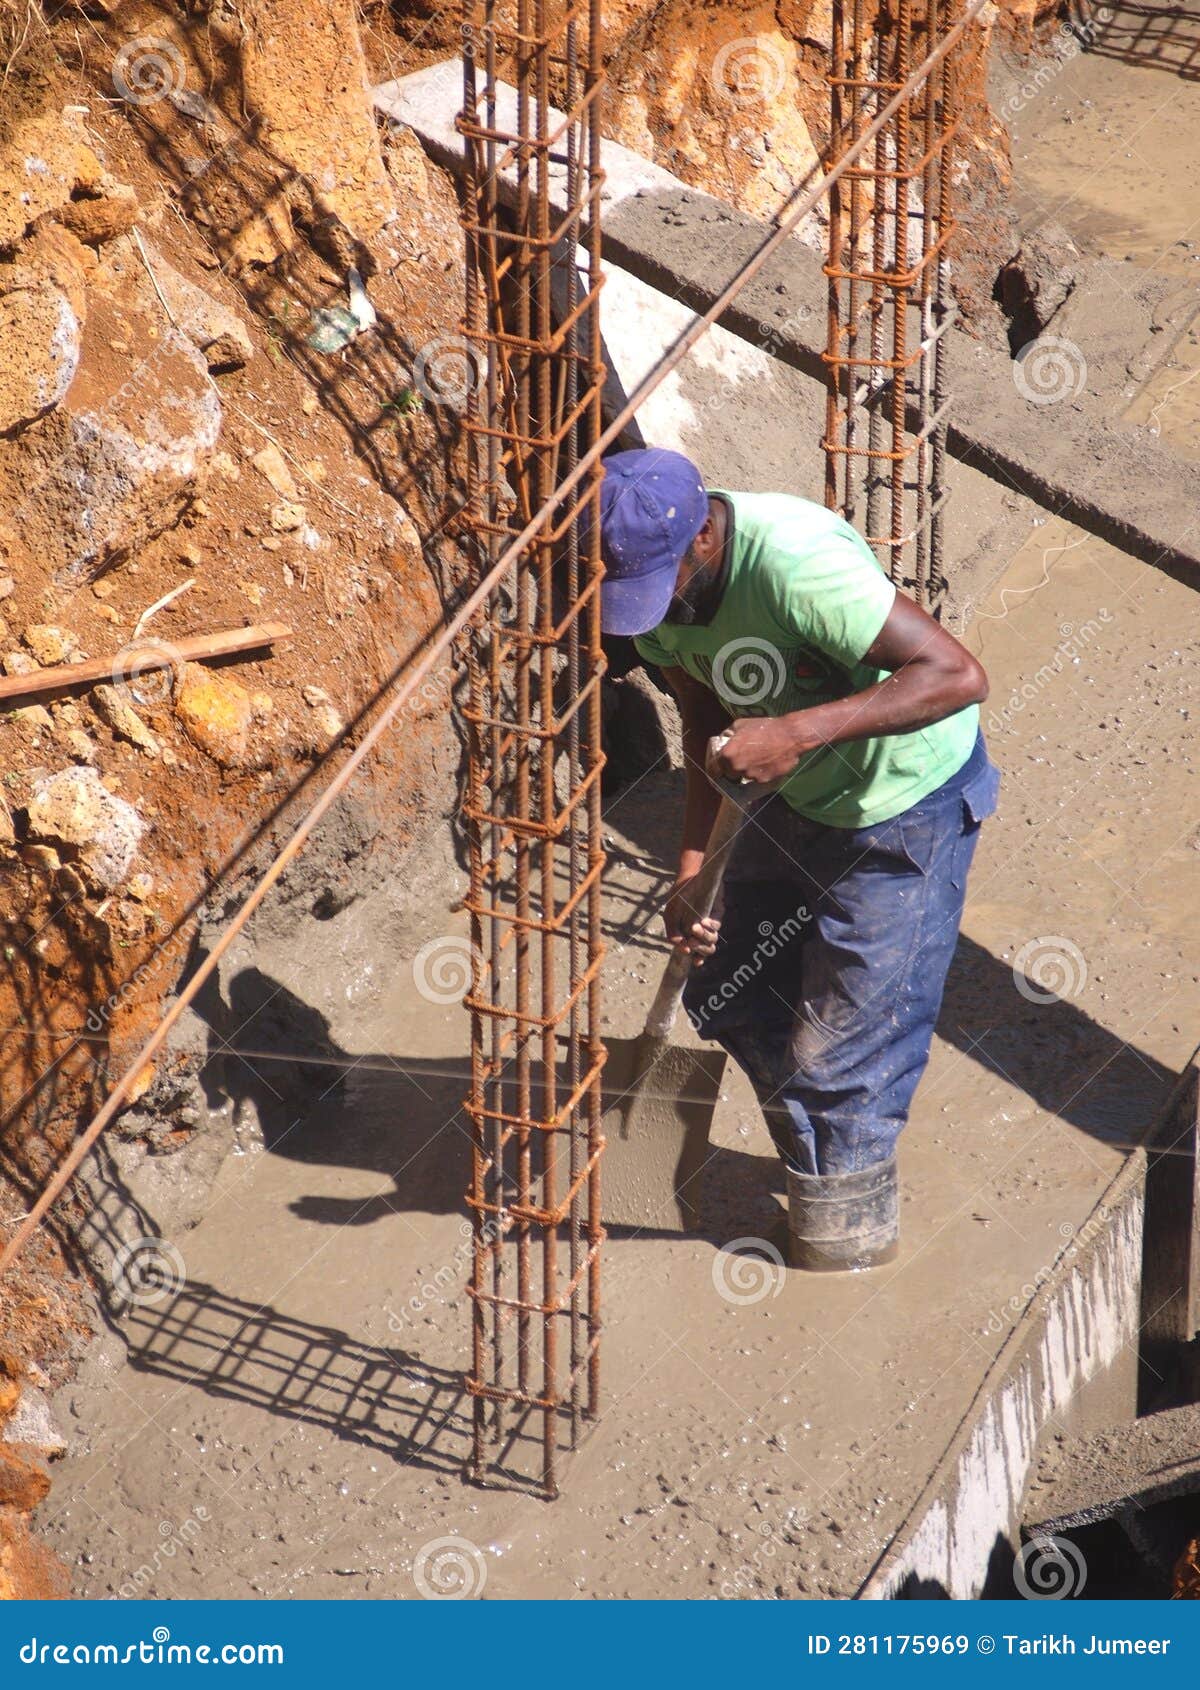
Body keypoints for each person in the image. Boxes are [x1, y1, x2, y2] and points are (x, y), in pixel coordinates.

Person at [596, 447, 999, 1270]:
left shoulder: (798, 565)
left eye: (655, 586)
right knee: (727, 987)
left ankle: (843, 1244)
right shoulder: (658, 595)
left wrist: (795, 732)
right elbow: (701, 720)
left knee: (841, 1060)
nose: (646, 610)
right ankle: (822, 1151)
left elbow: (958, 674)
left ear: (704, 537)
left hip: (904, 804)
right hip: (791, 797)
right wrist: (689, 873)